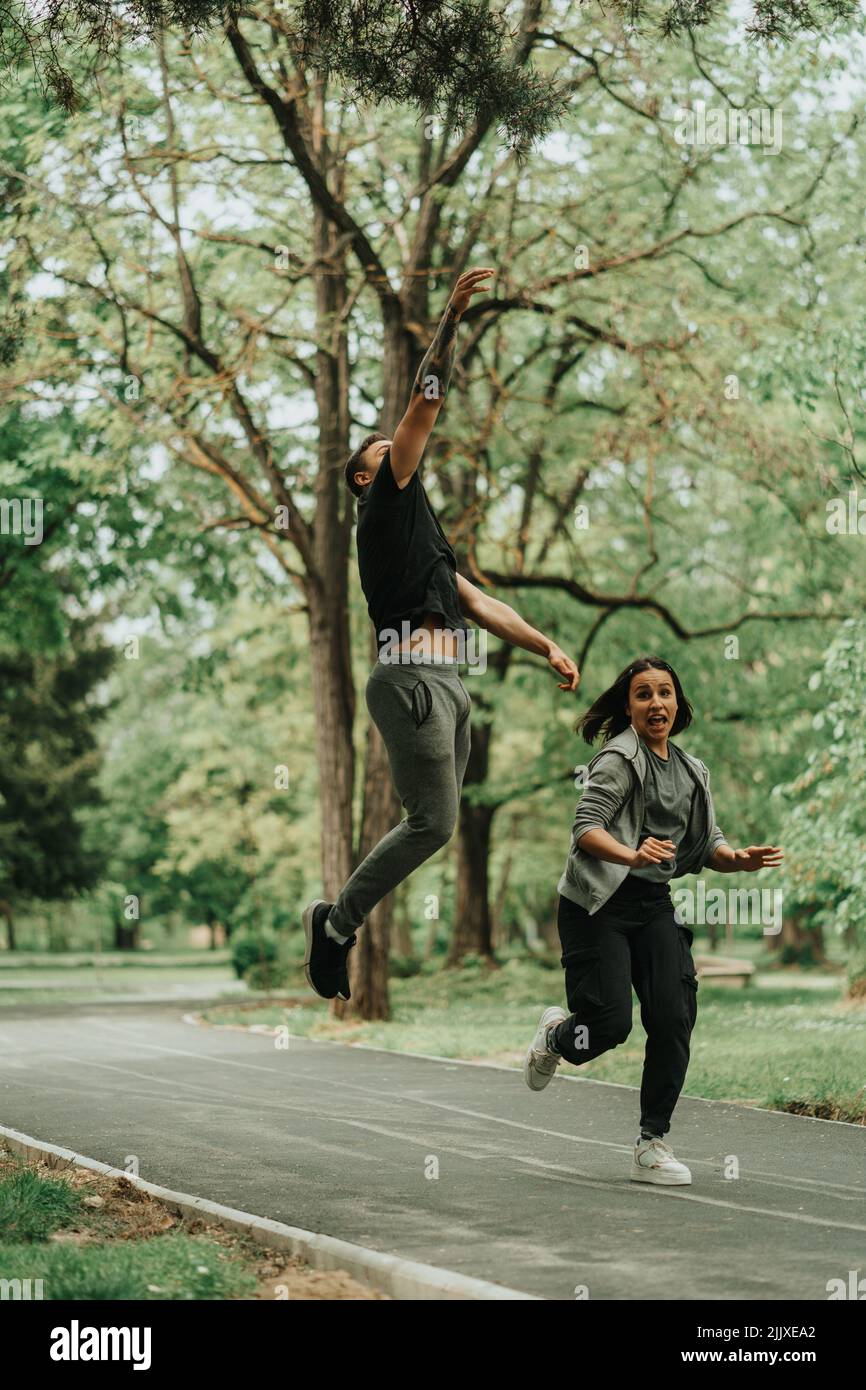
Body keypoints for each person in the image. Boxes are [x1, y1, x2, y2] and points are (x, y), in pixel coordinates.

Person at [303, 267, 580, 1001]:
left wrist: (545, 642)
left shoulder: (423, 540)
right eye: (381, 449)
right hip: (409, 678)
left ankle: (338, 920)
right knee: (433, 822)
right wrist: (452, 318)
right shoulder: (383, 505)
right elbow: (424, 409)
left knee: (436, 822)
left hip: (449, 684)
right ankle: (335, 925)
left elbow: (481, 604)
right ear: (366, 478)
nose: (394, 449)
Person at [523, 656, 783, 1185]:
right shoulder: (618, 760)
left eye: (664, 692)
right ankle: (555, 1037)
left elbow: (706, 840)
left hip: (651, 904)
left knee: (673, 1012)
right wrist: (631, 855)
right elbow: (585, 829)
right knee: (609, 1025)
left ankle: (652, 1143)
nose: (656, 703)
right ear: (630, 707)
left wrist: (736, 859)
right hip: (595, 905)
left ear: (677, 703)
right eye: (643, 694)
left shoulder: (691, 770)